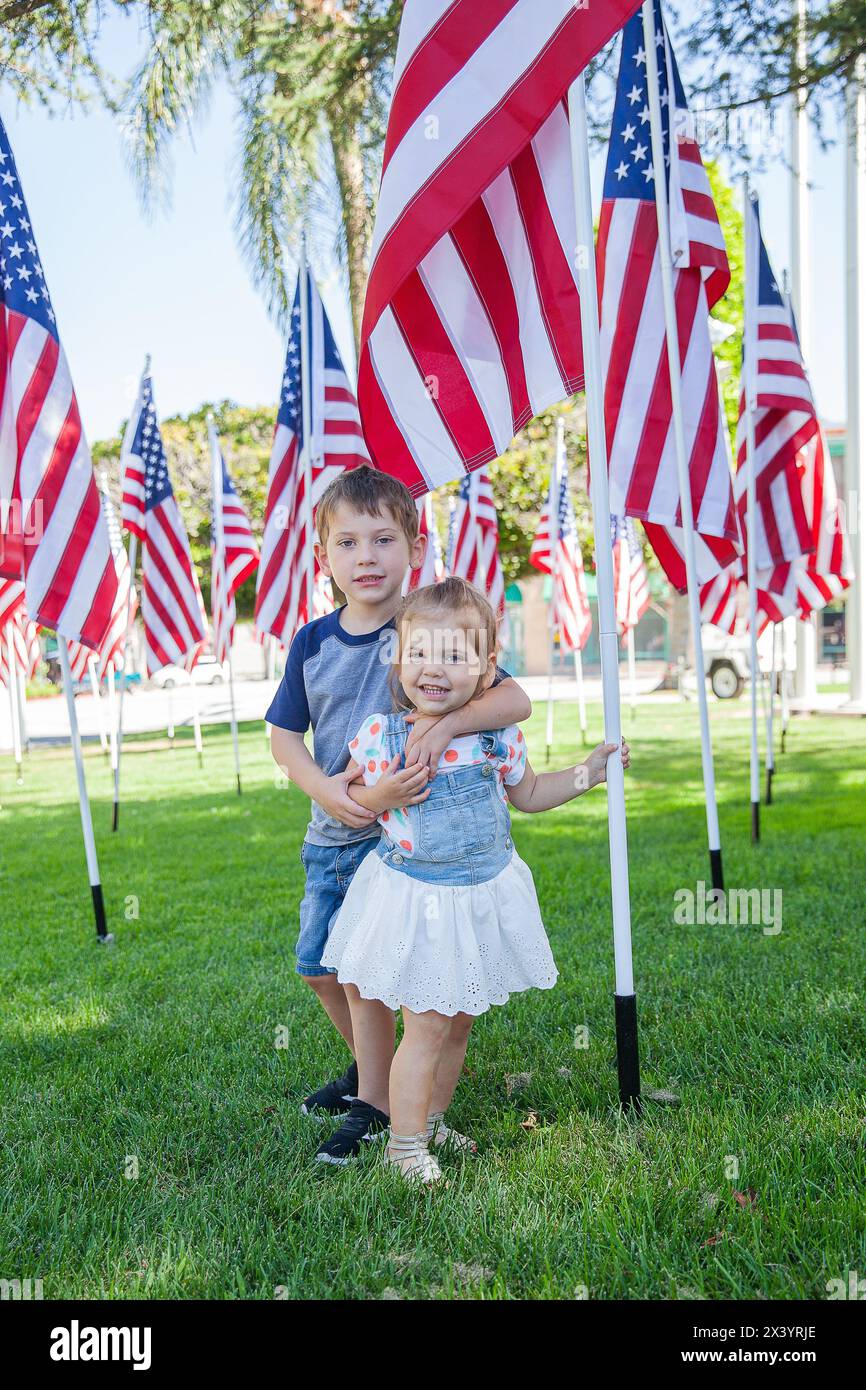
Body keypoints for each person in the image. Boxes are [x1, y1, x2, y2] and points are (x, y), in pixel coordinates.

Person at [322, 576, 631, 1185]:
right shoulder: (383, 736)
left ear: (488, 668)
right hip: (417, 897)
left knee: (458, 1019)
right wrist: (376, 793)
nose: (433, 670)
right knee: (430, 1020)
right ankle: (404, 1145)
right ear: (399, 659)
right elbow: (346, 794)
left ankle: (432, 1119)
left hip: (481, 892)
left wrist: (589, 774)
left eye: (455, 656)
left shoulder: (496, 737)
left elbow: (532, 794)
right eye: (419, 653)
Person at [266, 467, 531, 1164]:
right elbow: (284, 736)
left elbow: (514, 701)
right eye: (348, 542)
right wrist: (326, 791)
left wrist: (445, 729)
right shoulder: (313, 642)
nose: (367, 557)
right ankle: (373, 1069)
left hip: (401, 844)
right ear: (324, 557)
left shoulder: (428, 629)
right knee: (320, 967)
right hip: (333, 830)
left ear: (414, 547)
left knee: (370, 977)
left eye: (384, 539)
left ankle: (377, 1106)